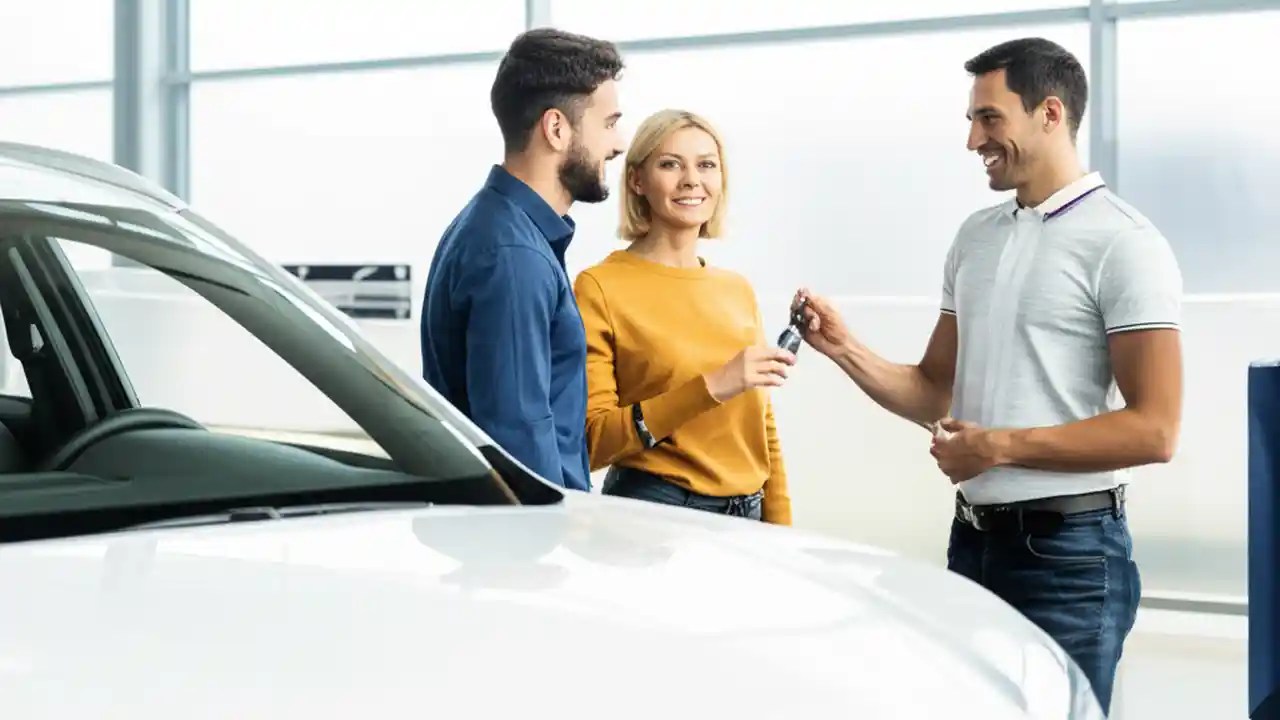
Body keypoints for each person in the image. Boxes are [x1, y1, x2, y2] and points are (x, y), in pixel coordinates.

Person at [792, 38, 1182, 712]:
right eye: (972, 119)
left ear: (1050, 113)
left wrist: (998, 446)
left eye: (990, 118)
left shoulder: (1125, 243)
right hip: (973, 543)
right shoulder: (976, 237)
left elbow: (1155, 430)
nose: (973, 139)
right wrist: (844, 348)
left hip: (1070, 561)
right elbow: (932, 392)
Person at [420, 29, 626, 491]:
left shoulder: (499, 230)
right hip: (528, 550)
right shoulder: (513, 256)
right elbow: (521, 452)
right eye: (610, 123)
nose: (619, 143)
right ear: (557, 129)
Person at [573, 109, 796, 524]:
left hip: (748, 517)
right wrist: (713, 385)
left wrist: (781, 525)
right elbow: (592, 442)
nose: (692, 179)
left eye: (706, 164)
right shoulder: (599, 287)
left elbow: (762, 425)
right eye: (670, 164)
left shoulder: (736, 289)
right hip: (656, 514)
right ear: (637, 180)